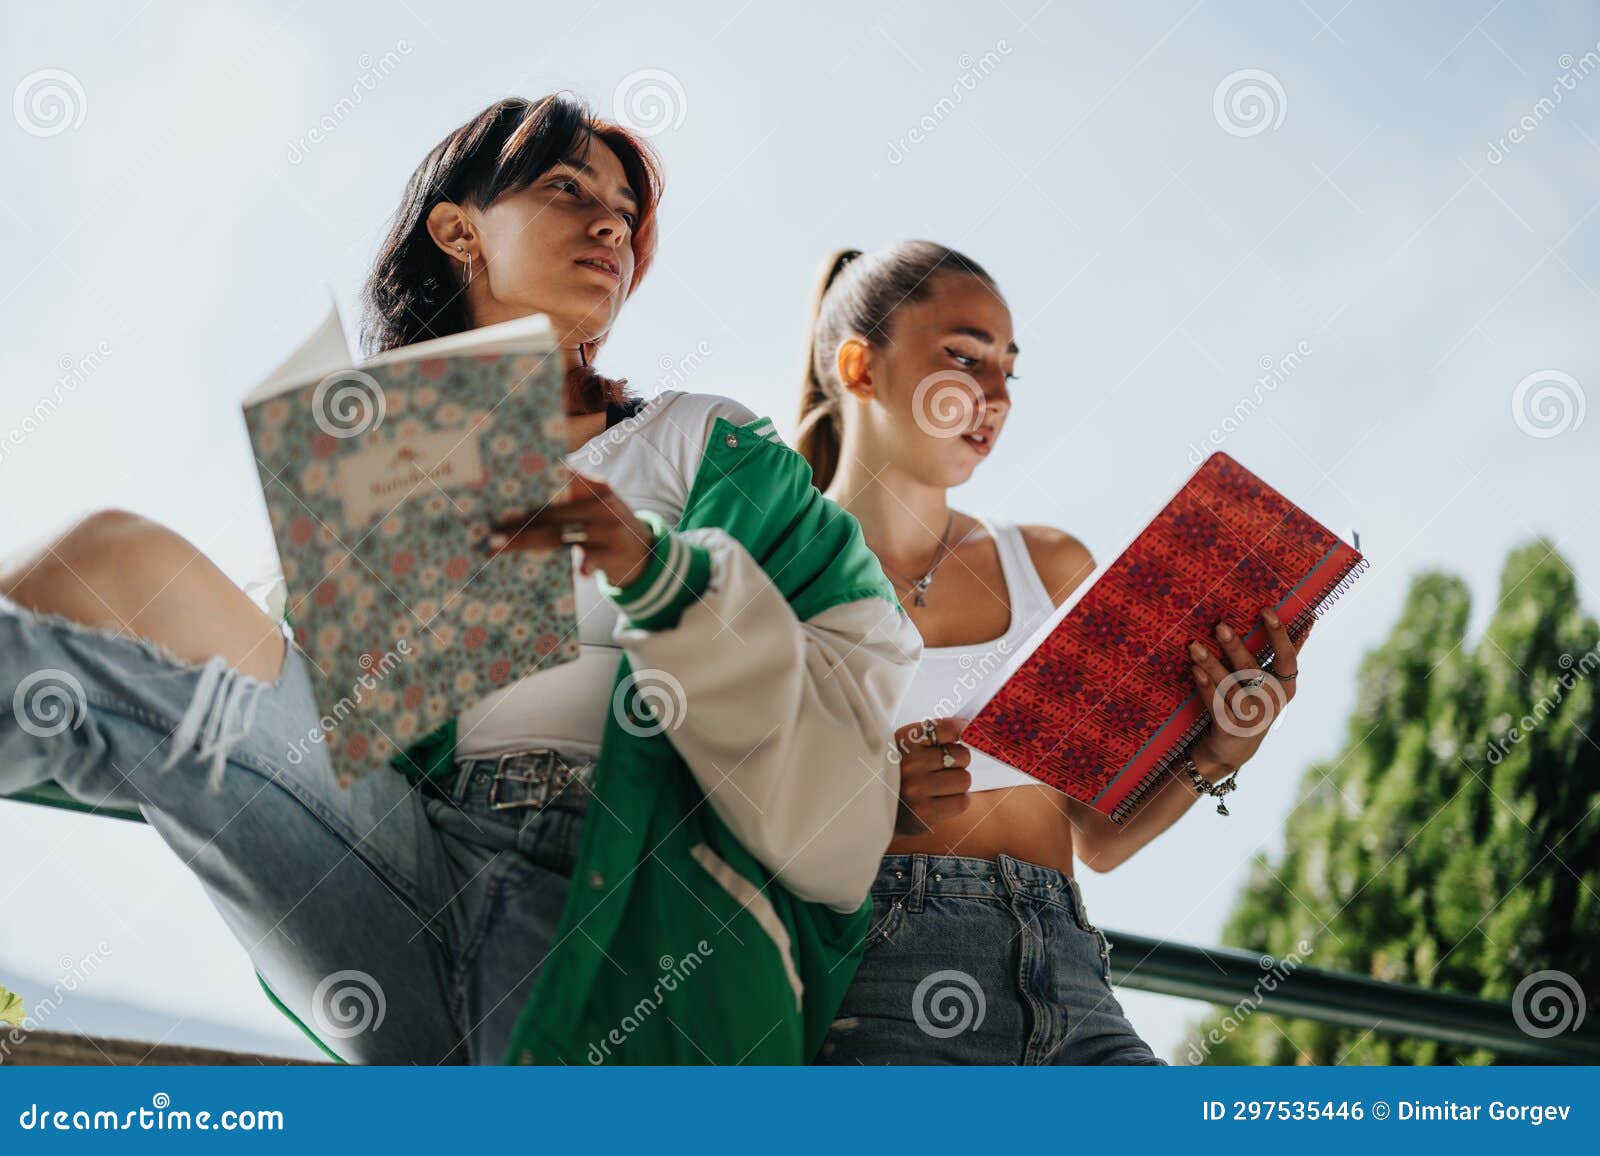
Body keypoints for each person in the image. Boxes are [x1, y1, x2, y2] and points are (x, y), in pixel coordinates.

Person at [0, 95, 920, 1065]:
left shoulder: (702, 441)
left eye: (624, 209)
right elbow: (307, 716)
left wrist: (660, 576)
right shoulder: (376, 464)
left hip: (616, 894)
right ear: (458, 230)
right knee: (110, 561)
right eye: (566, 189)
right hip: (394, 860)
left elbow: (841, 801)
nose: (611, 222)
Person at [793, 242, 1311, 1064]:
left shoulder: (1052, 567)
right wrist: (858, 806)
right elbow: (703, 817)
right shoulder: (771, 571)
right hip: (878, 979)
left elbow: (1100, 840)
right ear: (860, 367)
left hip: (1071, 975)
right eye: (965, 357)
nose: (996, 396)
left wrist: (1217, 748)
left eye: (1010, 369)